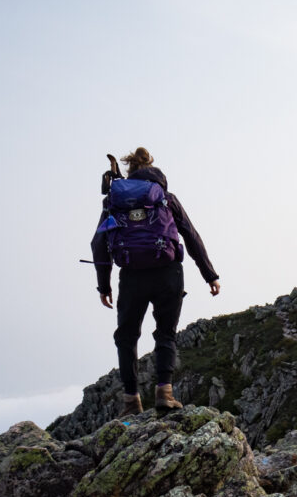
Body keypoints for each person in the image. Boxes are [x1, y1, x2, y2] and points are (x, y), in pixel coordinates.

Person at [91, 147, 220, 415]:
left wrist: (104, 285)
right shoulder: (166, 198)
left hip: (131, 276)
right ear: (152, 169)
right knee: (165, 333)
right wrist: (209, 275)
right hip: (167, 272)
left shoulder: (115, 201)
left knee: (127, 337)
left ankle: (131, 402)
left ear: (129, 172)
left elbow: (98, 243)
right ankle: (165, 394)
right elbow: (191, 235)